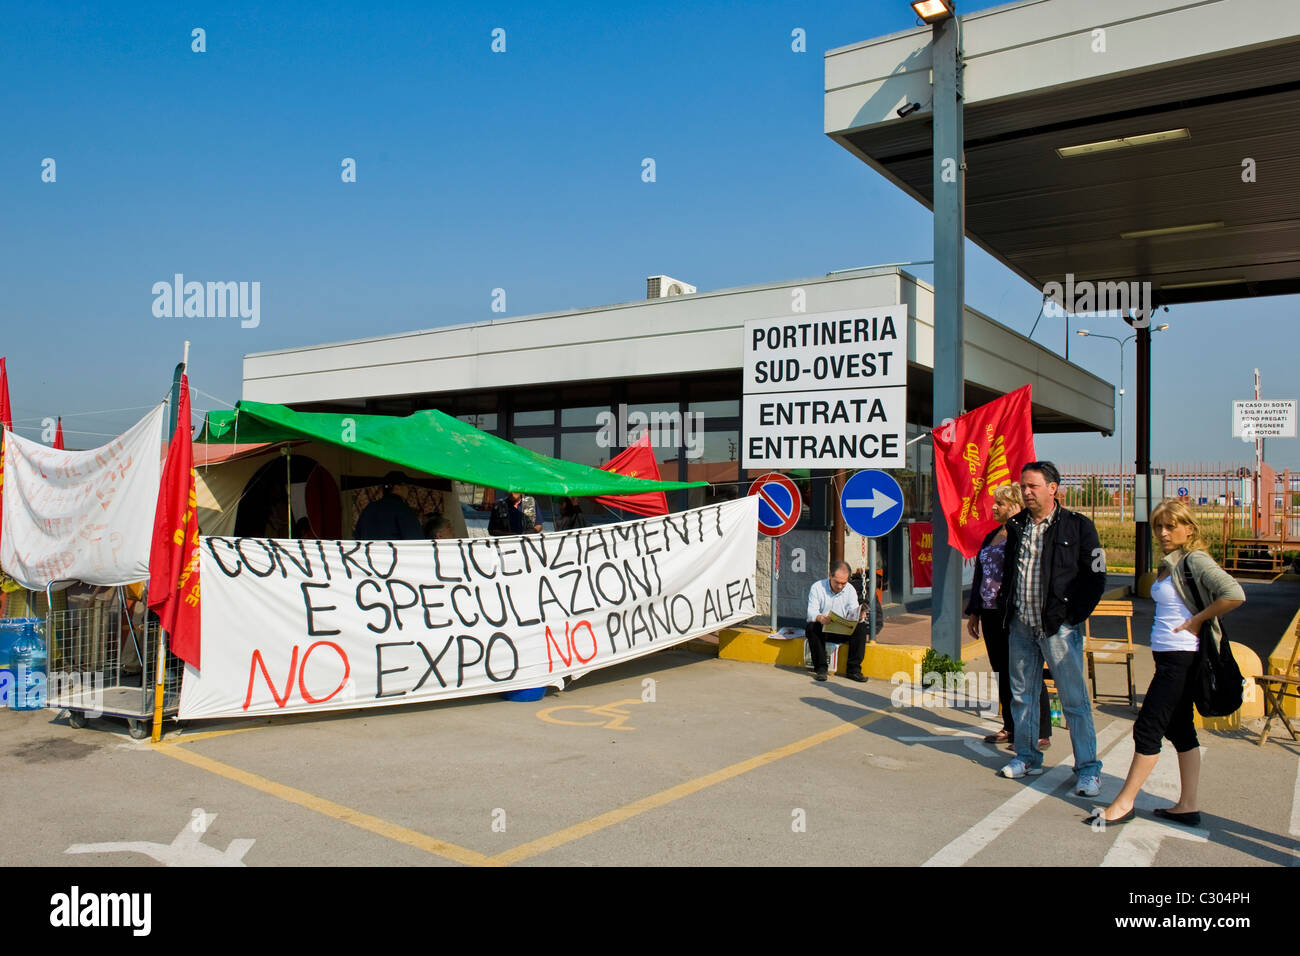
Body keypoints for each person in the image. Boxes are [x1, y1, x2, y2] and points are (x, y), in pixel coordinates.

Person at [1089, 499, 1244, 826]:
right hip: (1170, 658)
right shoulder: (1171, 562)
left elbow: (1234, 593)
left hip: (1181, 659)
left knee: (1147, 728)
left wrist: (1199, 619)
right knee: (1180, 728)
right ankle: (1188, 806)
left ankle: (1124, 803)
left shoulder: (1195, 560)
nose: (1162, 532)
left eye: (1170, 526)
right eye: (1159, 525)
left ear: (1189, 528)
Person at [998, 461, 1107, 797]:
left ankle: (1088, 769)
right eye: (1024, 486)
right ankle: (1028, 757)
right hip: (1022, 625)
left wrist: (1072, 617)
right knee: (1022, 696)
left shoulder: (1079, 527)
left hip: (1059, 629)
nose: (1026, 492)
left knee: (1074, 700)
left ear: (1053, 488)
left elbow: (1097, 575)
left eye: (1033, 486)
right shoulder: (1016, 525)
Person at [965, 483, 1051, 750]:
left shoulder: (1023, 533)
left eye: (1000, 504)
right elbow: (981, 574)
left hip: (1014, 612)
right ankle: (1011, 726)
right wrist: (974, 611)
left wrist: (1016, 523)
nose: (994, 507)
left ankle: (1040, 730)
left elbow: (1026, 559)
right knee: (1001, 670)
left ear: (1015, 506)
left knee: (1026, 670)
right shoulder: (992, 534)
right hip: (990, 612)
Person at [804, 561, 870, 683]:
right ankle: (821, 669)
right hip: (824, 629)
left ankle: (854, 670)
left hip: (843, 630)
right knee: (811, 627)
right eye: (837, 582)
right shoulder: (817, 587)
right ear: (830, 576)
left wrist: (859, 616)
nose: (840, 586)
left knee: (861, 627)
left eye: (843, 583)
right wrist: (820, 618)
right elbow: (811, 612)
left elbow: (853, 611)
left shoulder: (850, 590)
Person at [353, 471, 423, 540]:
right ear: (397, 487)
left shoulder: (369, 509)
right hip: (394, 551)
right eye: (406, 485)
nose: (408, 489)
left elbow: (357, 536)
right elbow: (415, 539)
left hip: (370, 551)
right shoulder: (404, 509)